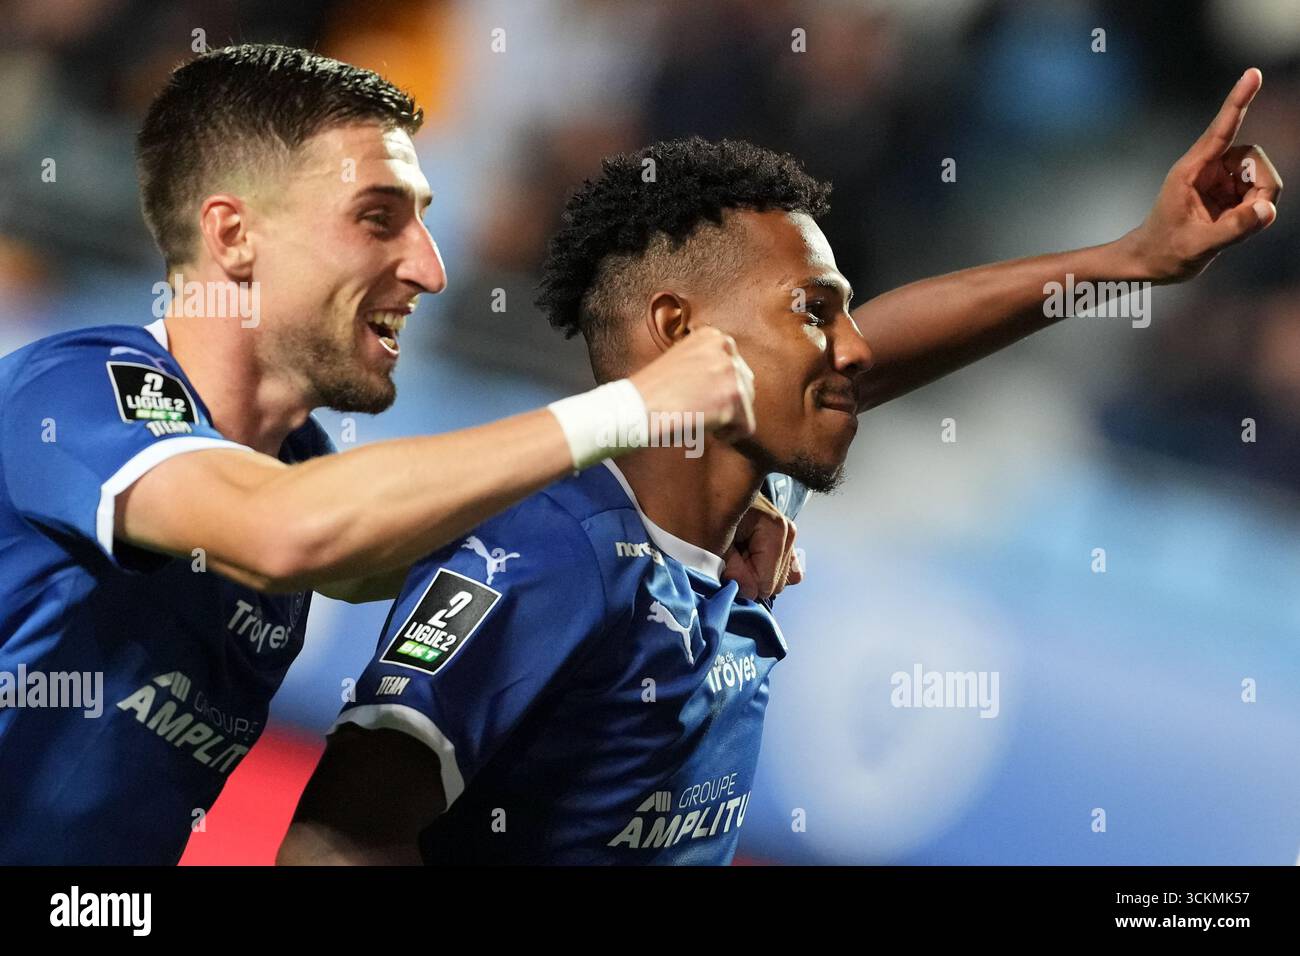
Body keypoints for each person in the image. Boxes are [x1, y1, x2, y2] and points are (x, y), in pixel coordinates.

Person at [279, 69, 1282, 863]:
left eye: (842, 309)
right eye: (813, 311)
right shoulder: (540, 559)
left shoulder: (744, 493)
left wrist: (1132, 260)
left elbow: (891, 341)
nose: (850, 345)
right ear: (678, 328)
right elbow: (333, 839)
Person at [0, 45, 778, 865]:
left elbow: (397, 540)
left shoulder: (302, 470)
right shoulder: (80, 389)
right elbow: (284, 534)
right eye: (379, 218)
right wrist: (630, 408)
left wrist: (714, 497)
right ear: (233, 235)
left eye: (424, 219)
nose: (430, 268)